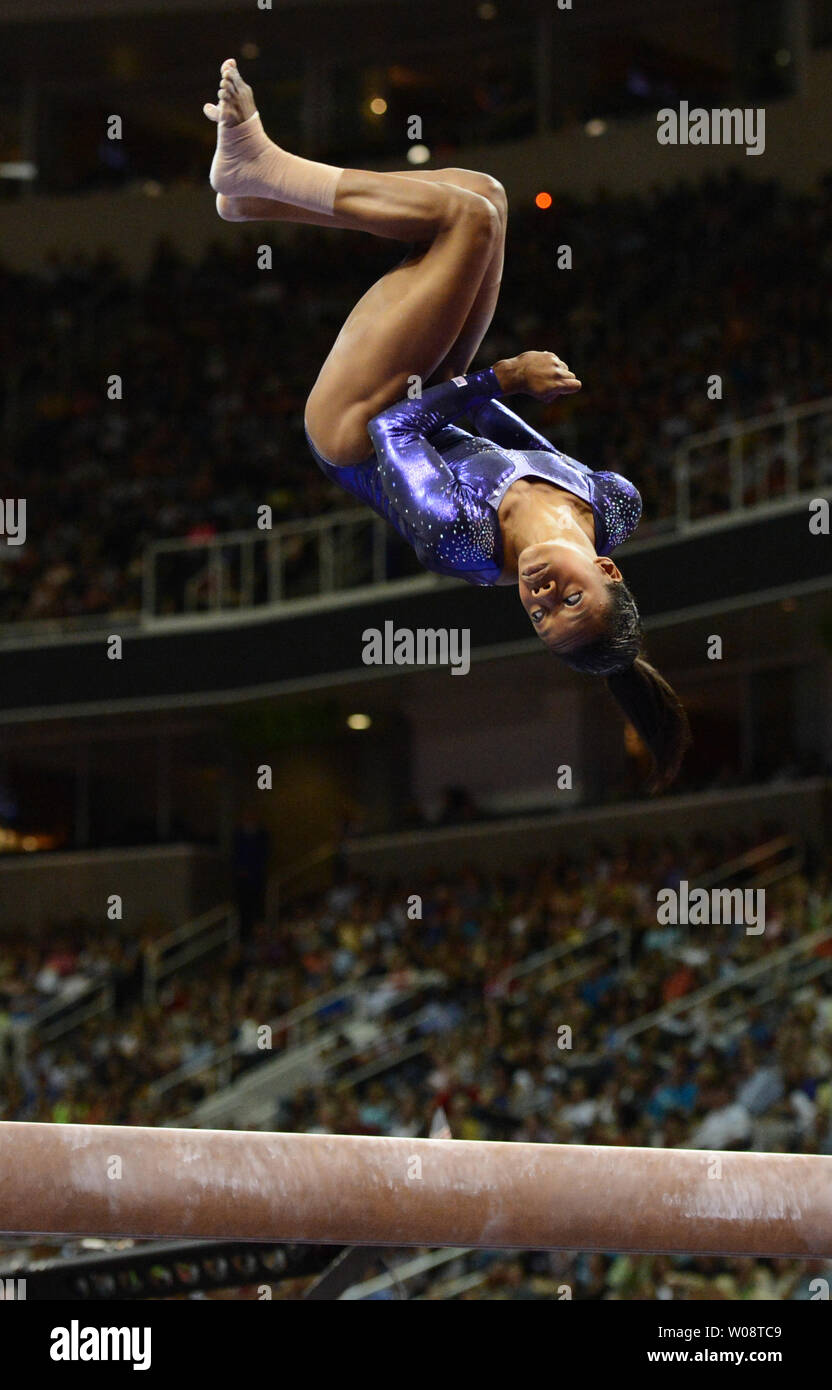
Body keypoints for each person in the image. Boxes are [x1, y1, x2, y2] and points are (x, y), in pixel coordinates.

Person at [204, 60, 690, 790]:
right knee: (483, 198)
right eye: (570, 598)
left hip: (355, 422)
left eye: (539, 615)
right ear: (607, 568)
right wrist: (495, 385)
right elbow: (500, 433)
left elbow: (394, 431)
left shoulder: (464, 543)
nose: (539, 594)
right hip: (431, 403)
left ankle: (261, 165)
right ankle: (252, 198)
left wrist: (503, 375)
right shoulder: (612, 502)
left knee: (463, 222)